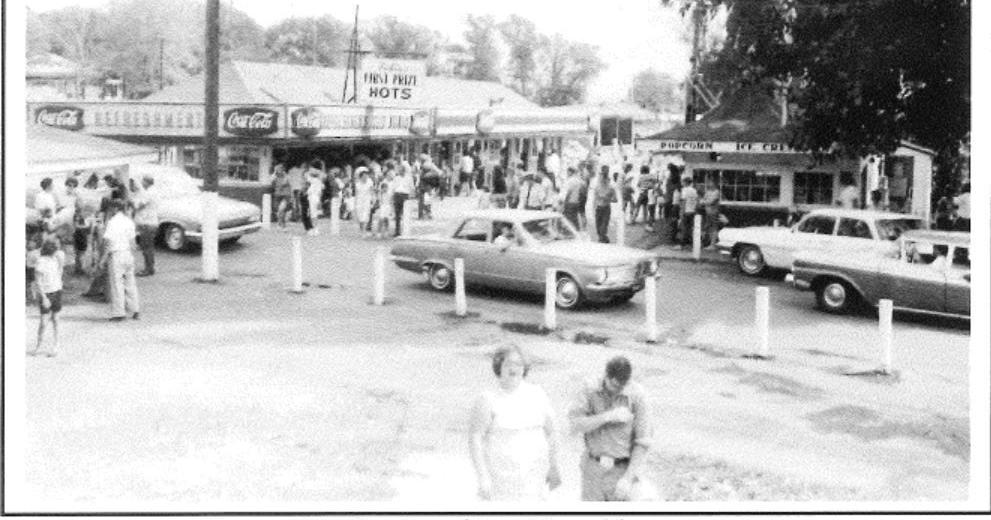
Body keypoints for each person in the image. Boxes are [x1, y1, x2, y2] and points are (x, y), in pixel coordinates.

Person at [469, 346, 561, 501]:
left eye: (518, 364)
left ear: (524, 368)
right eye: (508, 364)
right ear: (499, 367)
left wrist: (554, 467)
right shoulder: (488, 399)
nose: (514, 368)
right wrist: (482, 478)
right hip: (501, 480)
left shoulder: (537, 394)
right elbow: (475, 439)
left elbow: (552, 432)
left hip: (534, 477)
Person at [569, 356, 652, 502]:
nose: (617, 390)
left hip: (621, 471)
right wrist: (607, 417)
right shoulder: (589, 389)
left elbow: (643, 442)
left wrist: (627, 478)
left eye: (621, 387)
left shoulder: (638, 395)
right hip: (593, 470)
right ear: (606, 376)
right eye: (614, 386)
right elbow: (575, 425)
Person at [100, 200, 140, 321]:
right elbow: (133, 242)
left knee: (117, 284)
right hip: (128, 253)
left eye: (112, 208)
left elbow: (108, 242)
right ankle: (135, 309)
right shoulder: (129, 222)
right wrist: (133, 256)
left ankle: (119, 312)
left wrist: (103, 259)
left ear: (116, 208)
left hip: (116, 254)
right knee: (130, 283)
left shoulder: (112, 222)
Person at [32, 238, 66, 357]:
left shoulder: (56, 259)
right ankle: (39, 345)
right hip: (46, 293)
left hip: (56, 291)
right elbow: (38, 282)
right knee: (43, 321)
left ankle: (56, 345)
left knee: (56, 319)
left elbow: (60, 272)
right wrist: (44, 297)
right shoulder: (40, 262)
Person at [132, 175, 159, 276]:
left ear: (146, 182)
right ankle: (150, 267)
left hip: (147, 223)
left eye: (143, 181)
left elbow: (140, 205)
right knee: (149, 247)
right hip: (151, 222)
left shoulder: (149, 193)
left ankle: (148, 269)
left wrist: (133, 205)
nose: (141, 183)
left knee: (146, 247)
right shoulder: (153, 192)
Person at [593, 166, 616, 243]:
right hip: (599, 208)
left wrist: (607, 199)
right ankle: (604, 238)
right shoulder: (597, 186)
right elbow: (595, 198)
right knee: (598, 227)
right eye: (601, 178)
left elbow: (615, 199)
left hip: (606, 207)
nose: (602, 180)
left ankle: (602, 240)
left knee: (603, 226)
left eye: (604, 178)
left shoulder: (611, 187)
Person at [676, 175, 699, 250]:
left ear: (685, 182)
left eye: (683, 182)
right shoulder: (694, 190)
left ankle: (681, 245)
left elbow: (683, 201)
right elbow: (696, 201)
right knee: (690, 228)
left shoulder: (684, 190)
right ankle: (690, 244)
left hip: (686, 210)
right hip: (692, 211)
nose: (682, 183)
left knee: (683, 228)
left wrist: (681, 212)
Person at [392, 164, 414, 237]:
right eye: (399, 170)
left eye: (401, 170)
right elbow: (393, 188)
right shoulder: (396, 178)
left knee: (405, 214)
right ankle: (397, 231)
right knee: (397, 215)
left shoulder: (409, 178)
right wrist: (393, 197)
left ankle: (405, 231)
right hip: (397, 195)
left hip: (405, 196)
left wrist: (411, 197)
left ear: (404, 170)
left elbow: (412, 188)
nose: (400, 171)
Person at [700, 178, 721, 249]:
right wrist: (704, 202)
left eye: (711, 183)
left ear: (714, 184)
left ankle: (713, 245)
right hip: (707, 212)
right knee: (706, 228)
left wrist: (704, 202)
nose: (709, 184)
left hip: (714, 212)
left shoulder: (717, 192)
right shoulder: (708, 192)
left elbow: (712, 202)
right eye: (709, 183)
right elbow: (703, 199)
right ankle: (705, 243)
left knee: (714, 228)